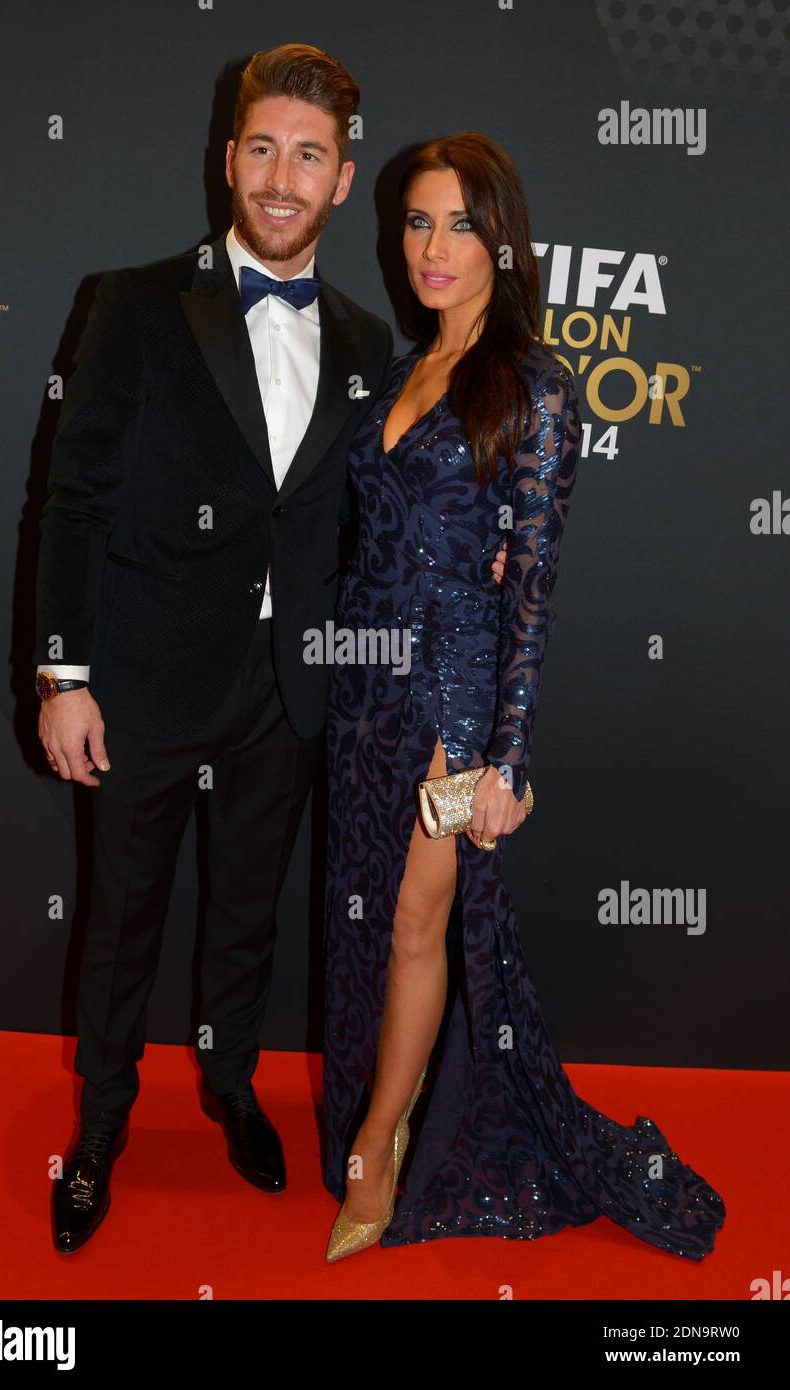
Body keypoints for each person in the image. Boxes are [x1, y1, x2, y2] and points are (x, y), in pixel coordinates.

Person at [34, 40, 517, 1254]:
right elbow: (73, 500)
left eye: (309, 155)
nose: (282, 176)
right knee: (121, 918)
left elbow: (384, 511)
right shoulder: (134, 303)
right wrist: (63, 673)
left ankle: (230, 1088)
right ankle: (96, 1129)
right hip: (143, 679)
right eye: (263, 149)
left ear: (342, 179)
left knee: (246, 915)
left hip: (297, 694)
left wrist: (481, 556)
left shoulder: (367, 342)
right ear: (228, 157)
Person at [322, 132, 725, 1262]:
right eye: (413, 221)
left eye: (456, 223)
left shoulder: (535, 389)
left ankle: (378, 1147)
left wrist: (504, 759)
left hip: (449, 701)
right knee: (364, 919)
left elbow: (532, 590)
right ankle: (379, 1110)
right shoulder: (398, 371)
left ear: (501, 240)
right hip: (361, 696)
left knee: (414, 922)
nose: (431, 247)